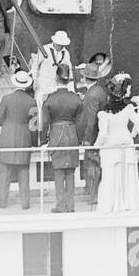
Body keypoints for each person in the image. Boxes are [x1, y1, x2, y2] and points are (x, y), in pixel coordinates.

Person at [95, 74, 139, 213]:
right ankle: (129, 204)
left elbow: (103, 134)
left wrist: (95, 147)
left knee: (110, 179)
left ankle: (110, 206)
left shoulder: (104, 113)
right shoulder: (128, 108)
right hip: (127, 146)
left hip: (110, 147)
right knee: (128, 177)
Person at [41, 63, 82, 212]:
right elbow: (81, 121)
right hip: (72, 135)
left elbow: (44, 122)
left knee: (58, 171)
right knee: (71, 171)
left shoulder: (50, 99)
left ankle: (60, 205)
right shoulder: (76, 99)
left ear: (56, 78)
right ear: (68, 79)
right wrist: (81, 138)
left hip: (56, 134)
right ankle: (70, 206)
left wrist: (43, 140)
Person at [0, 70, 36, 209]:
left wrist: (8, 125)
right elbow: (34, 125)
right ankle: (25, 203)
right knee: (23, 171)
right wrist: (34, 142)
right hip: (24, 137)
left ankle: (2, 202)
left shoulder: (6, 99)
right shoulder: (32, 101)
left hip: (7, 136)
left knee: (4, 171)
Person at [76, 62, 110, 203]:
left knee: (91, 165)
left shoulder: (91, 95)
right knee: (95, 165)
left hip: (93, 135)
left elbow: (91, 119)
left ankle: (93, 195)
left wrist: (88, 139)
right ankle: (94, 193)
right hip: (98, 133)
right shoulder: (98, 91)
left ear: (85, 78)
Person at [32, 30, 73, 113]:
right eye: (58, 44)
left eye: (62, 45)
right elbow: (35, 66)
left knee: (53, 106)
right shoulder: (44, 49)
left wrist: (70, 85)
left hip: (56, 84)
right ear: (54, 42)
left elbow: (69, 69)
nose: (60, 47)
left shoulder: (66, 53)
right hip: (43, 82)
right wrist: (35, 80)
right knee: (40, 105)